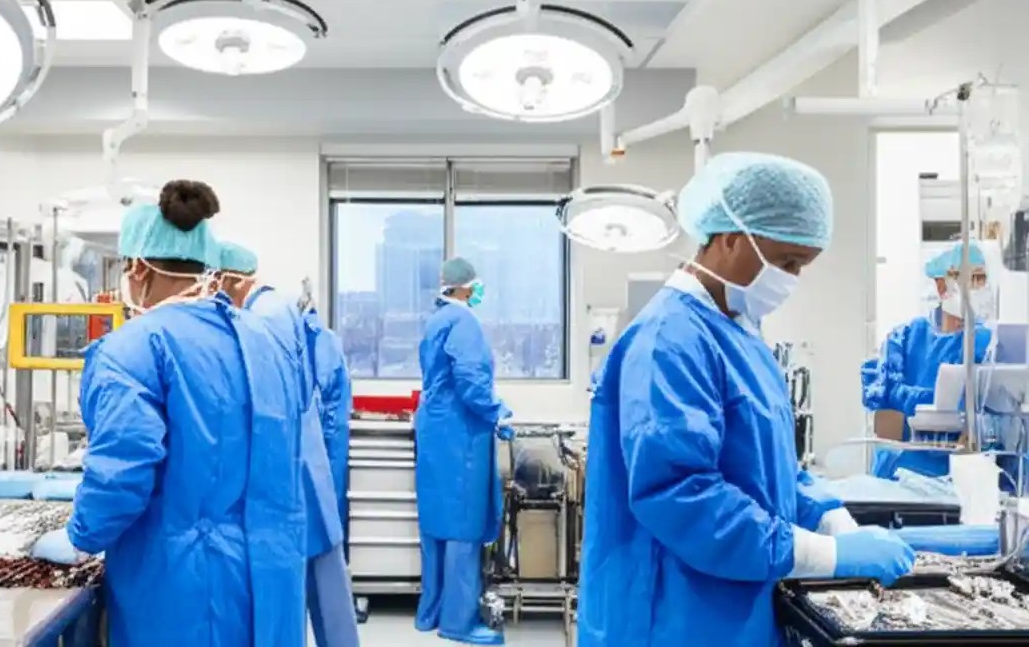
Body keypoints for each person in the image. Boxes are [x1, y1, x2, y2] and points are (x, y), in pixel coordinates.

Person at [576, 153, 915, 647]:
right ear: (731, 238)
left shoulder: (742, 334)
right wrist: (823, 555)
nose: (792, 278)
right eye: (787, 262)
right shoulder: (669, 339)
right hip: (672, 616)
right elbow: (680, 495)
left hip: (735, 608)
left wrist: (829, 517)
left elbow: (770, 469)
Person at [30, 181, 308, 647]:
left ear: (138, 267)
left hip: (184, 585)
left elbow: (123, 468)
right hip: (272, 572)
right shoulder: (267, 340)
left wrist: (81, 537)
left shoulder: (135, 347)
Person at [220, 242, 360, 647]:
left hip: (292, 465)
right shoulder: (275, 310)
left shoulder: (264, 317)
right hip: (303, 460)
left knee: (305, 585)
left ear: (231, 279)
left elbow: (270, 400)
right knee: (324, 579)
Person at [415, 257, 512, 646]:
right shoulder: (464, 322)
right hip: (461, 434)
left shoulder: (437, 320)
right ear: (465, 288)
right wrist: (497, 412)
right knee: (463, 526)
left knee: (437, 524)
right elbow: (471, 381)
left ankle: (431, 612)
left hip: (436, 430)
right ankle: (458, 622)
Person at [862, 241, 996, 478]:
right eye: (969, 278)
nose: (977, 287)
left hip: (964, 474)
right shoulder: (905, 338)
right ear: (942, 285)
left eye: (981, 279)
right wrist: (945, 405)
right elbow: (885, 412)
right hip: (902, 472)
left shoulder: (988, 342)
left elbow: (992, 413)